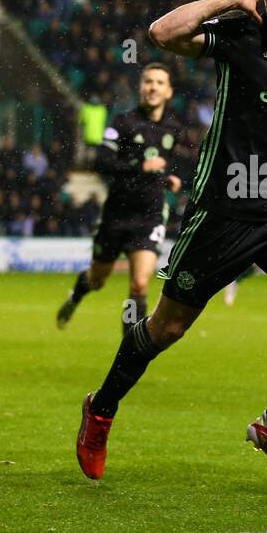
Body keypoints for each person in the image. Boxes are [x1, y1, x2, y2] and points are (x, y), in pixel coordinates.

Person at [75, 0, 267, 492]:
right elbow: (161, 33)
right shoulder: (240, 32)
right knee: (167, 327)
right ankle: (101, 409)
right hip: (223, 209)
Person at [57, 62, 189, 335]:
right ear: (141, 87)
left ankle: (129, 347)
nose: (152, 87)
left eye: (159, 83)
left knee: (140, 284)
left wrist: (172, 179)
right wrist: (140, 167)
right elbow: (102, 162)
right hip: (116, 215)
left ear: (168, 92)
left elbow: (171, 165)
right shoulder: (123, 122)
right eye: (148, 82)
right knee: (97, 279)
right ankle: (76, 295)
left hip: (150, 216)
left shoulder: (174, 130)